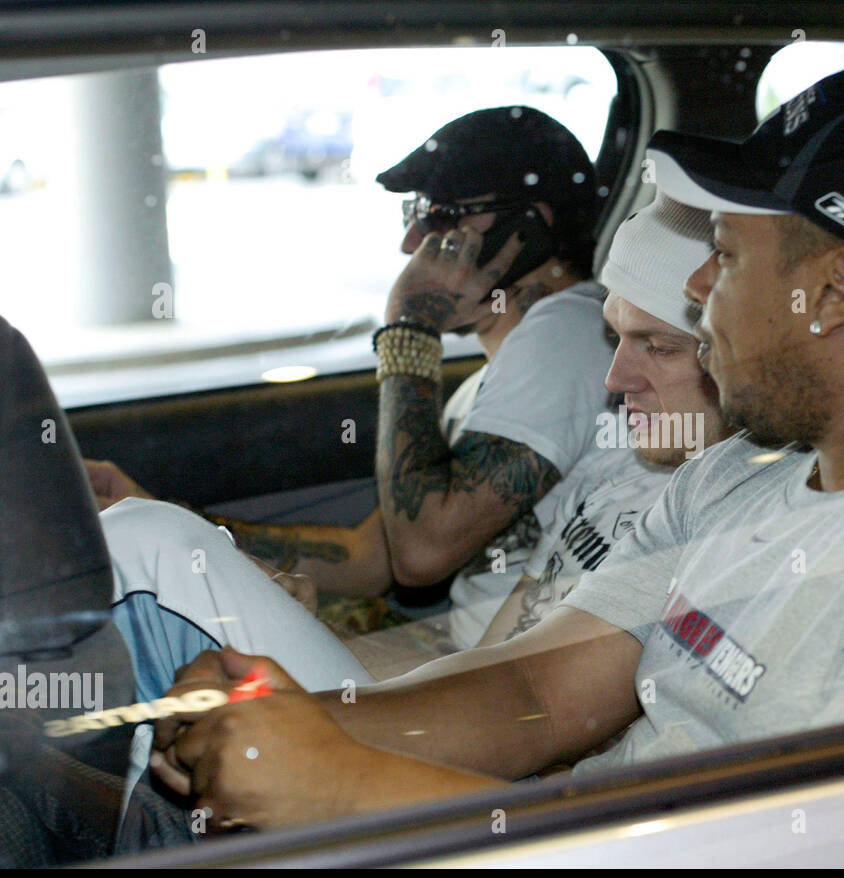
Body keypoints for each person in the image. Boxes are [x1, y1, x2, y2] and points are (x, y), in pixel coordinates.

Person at [151, 70, 844, 832]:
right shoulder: (743, 478)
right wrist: (307, 722)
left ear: (836, 290)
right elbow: (536, 691)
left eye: (722, 257)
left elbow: (817, 854)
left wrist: (347, 781)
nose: (696, 294)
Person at [101, 188, 725, 700]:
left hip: (476, 738)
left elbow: (426, 564)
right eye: (615, 341)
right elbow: (465, 639)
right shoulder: (610, 471)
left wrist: (408, 328)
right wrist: (305, 636)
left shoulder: (709, 504)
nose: (613, 381)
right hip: (449, 687)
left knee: (147, 540)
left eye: (442, 219)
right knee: (166, 582)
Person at [89, 106, 615, 650]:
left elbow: (421, 553)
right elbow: (367, 559)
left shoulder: (570, 332)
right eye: (414, 214)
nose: (412, 242)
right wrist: (163, 515)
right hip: (452, 662)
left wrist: (410, 325)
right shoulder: (493, 380)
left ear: (531, 227)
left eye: (439, 216)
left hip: (495, 692)